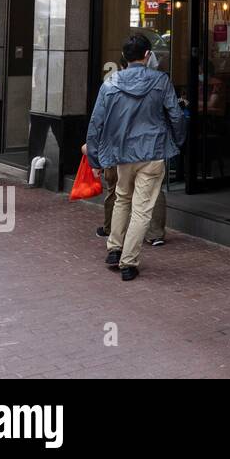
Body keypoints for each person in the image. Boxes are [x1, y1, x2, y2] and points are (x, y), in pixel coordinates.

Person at [85, 34, 185, 281]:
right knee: (142, 209)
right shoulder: (161, 81)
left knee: (122, 198)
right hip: (152, 151)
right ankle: (128, 262)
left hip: (121, 152)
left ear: (124, 57)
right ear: (148, 55)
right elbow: (176, 116)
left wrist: (95, 158)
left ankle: (114, 248)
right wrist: (177, 142)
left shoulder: (110, 83)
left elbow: (96, 122)